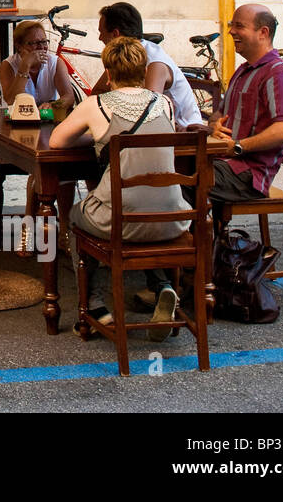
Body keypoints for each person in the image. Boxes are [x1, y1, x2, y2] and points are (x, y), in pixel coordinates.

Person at [50, 37, 188, 341]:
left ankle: (95, 307)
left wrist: (98, 137)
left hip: (121, 222)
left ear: (107, 72)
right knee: (141, 210)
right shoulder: (163, 103)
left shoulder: (96, 105)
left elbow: (57, 142)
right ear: (143, 70)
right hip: (173, 219)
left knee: (77, 217)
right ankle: (162, 287)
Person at [199, 3, 283, 207]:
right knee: (174, 170)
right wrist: (214, 127)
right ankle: (209, 237)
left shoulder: (278, 73)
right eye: (231, 25)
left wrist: (237, 147)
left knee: (181, 182)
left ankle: (200, 237)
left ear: (263, 32)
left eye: (239, 26)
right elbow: (218, 114)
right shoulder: (243, 70)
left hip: (248, 176)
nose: (231, 31)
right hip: (223, 163)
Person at [95, 2, 202, 129]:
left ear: (115, 34)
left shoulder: (154, 61)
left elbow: (149, 112)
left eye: (102, 32)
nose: (100, 38)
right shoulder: (125, 57)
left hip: (183, 134)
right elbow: (97, 92)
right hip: (151, 132)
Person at [0, 19, 75, 105]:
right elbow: (11, 101)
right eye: (34, 43)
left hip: (47, 116)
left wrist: (52, 105)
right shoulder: (8, 65)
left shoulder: (55, 63)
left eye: (44, 42)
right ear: (19, 46)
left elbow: (69, 97)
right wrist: (25, 66)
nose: (42, 47)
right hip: (17, 117)